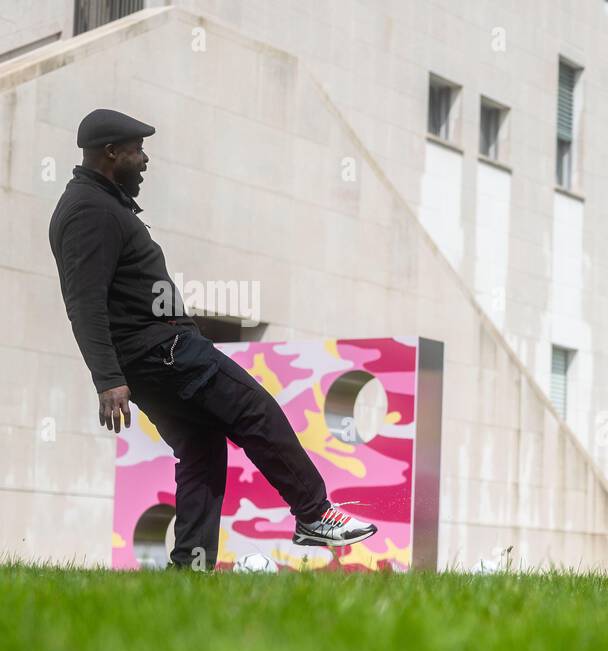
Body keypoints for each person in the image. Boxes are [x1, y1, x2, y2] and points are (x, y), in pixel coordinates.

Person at [49, 108, 377, 570]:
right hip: (162, 354)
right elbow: (83, 302)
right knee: (256, 410)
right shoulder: (89, 211)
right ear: (110, 153)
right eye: (137, 150)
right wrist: (107, 379)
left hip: (152, 357)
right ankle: (314, 514)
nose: (145, 160)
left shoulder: (100, 203)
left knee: (202, 449)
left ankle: (191, 569)